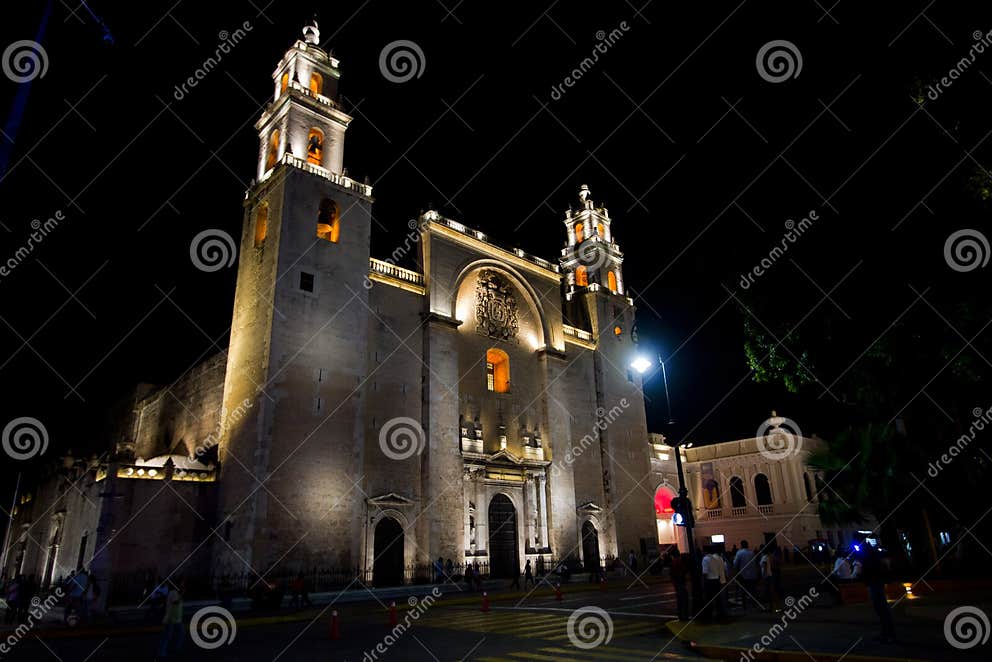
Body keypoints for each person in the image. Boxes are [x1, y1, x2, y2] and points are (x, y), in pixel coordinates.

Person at [858, 541, 895, 642]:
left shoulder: (869, 558)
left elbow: (868, 571)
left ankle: (888, 633)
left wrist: (863, 576)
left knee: (881, 608)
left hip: (875, 584)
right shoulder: (874, 556)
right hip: (876, 583)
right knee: (882, 608)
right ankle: (887, 632)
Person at [157, 580, 185, 659]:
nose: (183, 585)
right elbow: (175, 602)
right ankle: (162, 653)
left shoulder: (177, 593)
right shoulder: (173, 593)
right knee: (167, 636)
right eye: (182, 584)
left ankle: (175, 649)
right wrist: (182, 595)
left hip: (177, 619)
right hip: (170, 619)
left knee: (180, 634)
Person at [701, 545, 727, 621]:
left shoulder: (705, 559)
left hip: (710, 581)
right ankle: (719, 614)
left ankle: (709, 615)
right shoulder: (715, 558)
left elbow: (705, 572)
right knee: (717, 599)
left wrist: (703, 583)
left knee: (708, 599)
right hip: (716, 580)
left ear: (705, 551)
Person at [733, 540, 761, 610]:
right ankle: (754, 604)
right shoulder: (752, 553)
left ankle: (744, 605)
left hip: (743, 575)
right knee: (752, 590)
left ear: (741, 545)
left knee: (743, 590)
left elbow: (735, 564)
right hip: (752, 574)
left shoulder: (739, 553)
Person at [668, 549, 689, 621]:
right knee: (684, 600)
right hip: (681, 583)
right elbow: (683, 570)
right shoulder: (679, 561)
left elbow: (671, 573)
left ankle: (681, 615)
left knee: (680, 601)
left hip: (677, 583)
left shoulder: (673, 562)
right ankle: (684, 616)